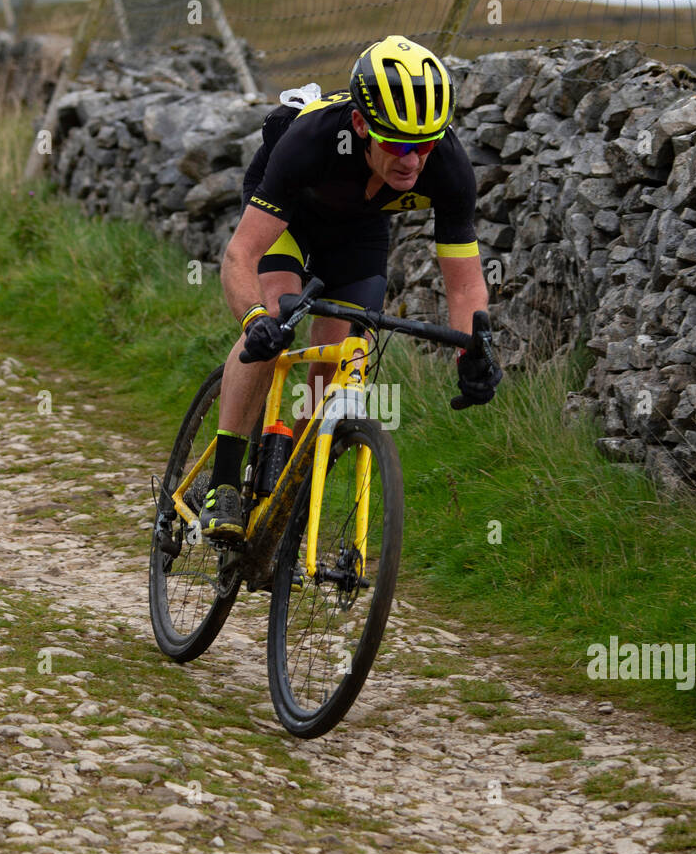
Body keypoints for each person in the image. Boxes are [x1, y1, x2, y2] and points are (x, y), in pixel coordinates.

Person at [198, 33, 502, 540]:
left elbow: (466, 287)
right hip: (288, 215)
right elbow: (240, 256)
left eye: (425, 145)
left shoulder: (446, 165)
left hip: (358, 230)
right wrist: (254, 321)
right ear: (361, 124)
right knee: (275, 320)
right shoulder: (311, 140)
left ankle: (284, 484)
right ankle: (224, 484)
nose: (413, 160)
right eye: (399, 144)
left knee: (340, 362)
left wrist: (473, 353)